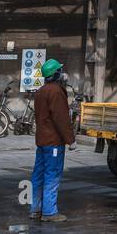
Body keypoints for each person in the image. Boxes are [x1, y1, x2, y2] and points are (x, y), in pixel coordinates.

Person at [30, 58, 75, 223]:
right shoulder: (56, 92)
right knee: (52, 175)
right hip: (53, 142)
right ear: (56, 74)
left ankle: (35, 209)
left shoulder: (41, 91)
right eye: (60, 71)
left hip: (41, 141)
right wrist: (70, 140)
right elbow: (61, 118)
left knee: (38, 175)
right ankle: (49, 213)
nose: (63, 73)